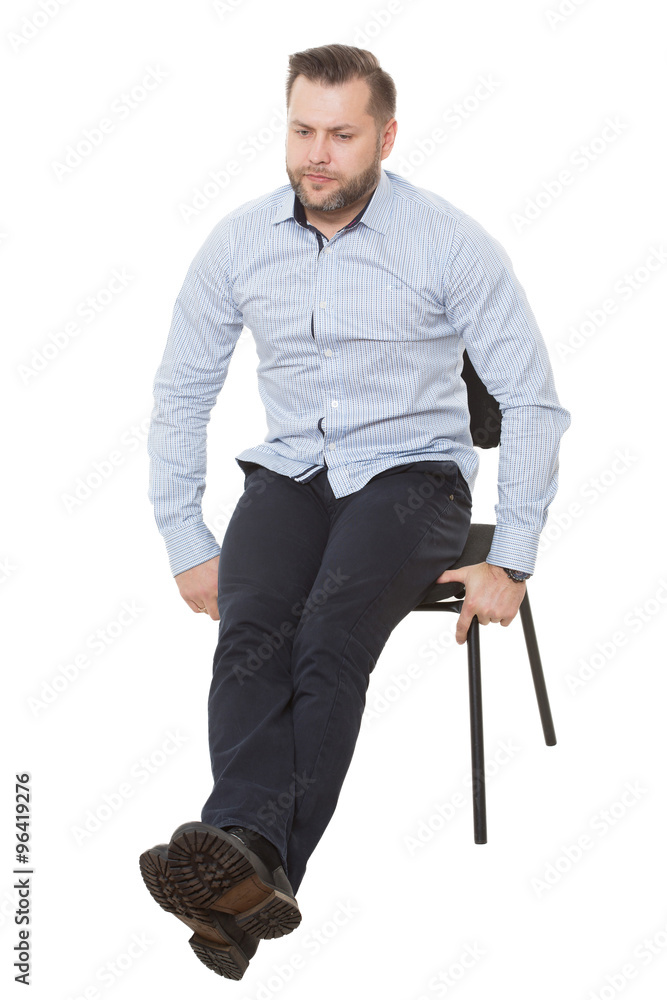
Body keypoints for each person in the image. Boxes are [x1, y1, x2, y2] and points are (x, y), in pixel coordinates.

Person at [139, 43, 571, 980]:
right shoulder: (240, 241)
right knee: (252, 630)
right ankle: (245, 882)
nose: (317, 154)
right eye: (302, 131)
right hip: (292, 472)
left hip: (412, 476)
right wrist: (186, 538)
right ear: (285, 127)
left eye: (341, 134)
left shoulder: (447, 241)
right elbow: (182, 394)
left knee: (327, 636)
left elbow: (532, 401)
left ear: (384, 136)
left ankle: (243, 857)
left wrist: (516, 559)